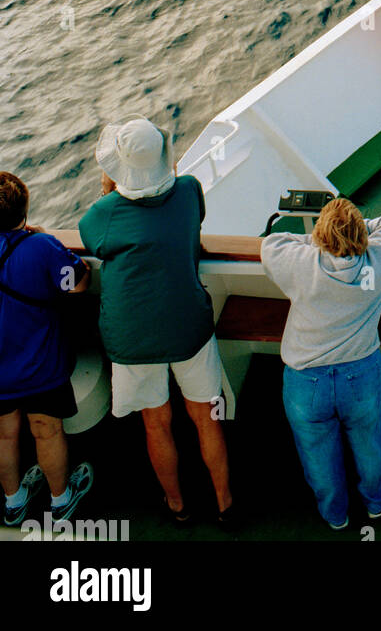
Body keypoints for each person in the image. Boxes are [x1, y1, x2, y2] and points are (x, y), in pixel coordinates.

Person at [79, 117, 234, 527]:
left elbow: (94, 240)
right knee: (207, 418)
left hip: (134, 340)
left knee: (156, 422)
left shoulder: (103, 213)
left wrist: (110, 190)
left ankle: (177, 504)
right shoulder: (188, 191)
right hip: (188, 328)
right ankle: (225, 502)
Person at [261, 198, 381, 530]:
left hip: (306, 382)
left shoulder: (300, 263)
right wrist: (357, 232)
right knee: (368, 441)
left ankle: (335, 514)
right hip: (360, 375)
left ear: (320, 236)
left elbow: (272, 244)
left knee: (317, 452)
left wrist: (317, 239)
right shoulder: (377, 260)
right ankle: (376, 502)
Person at [0, 172, 93, 526]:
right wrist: (47, 241)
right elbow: (79, 283)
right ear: (24, 210)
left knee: (3, 434)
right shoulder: (40, 247)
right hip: (41, 368)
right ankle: (60, 499)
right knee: (47, 431)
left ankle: (13, 501)